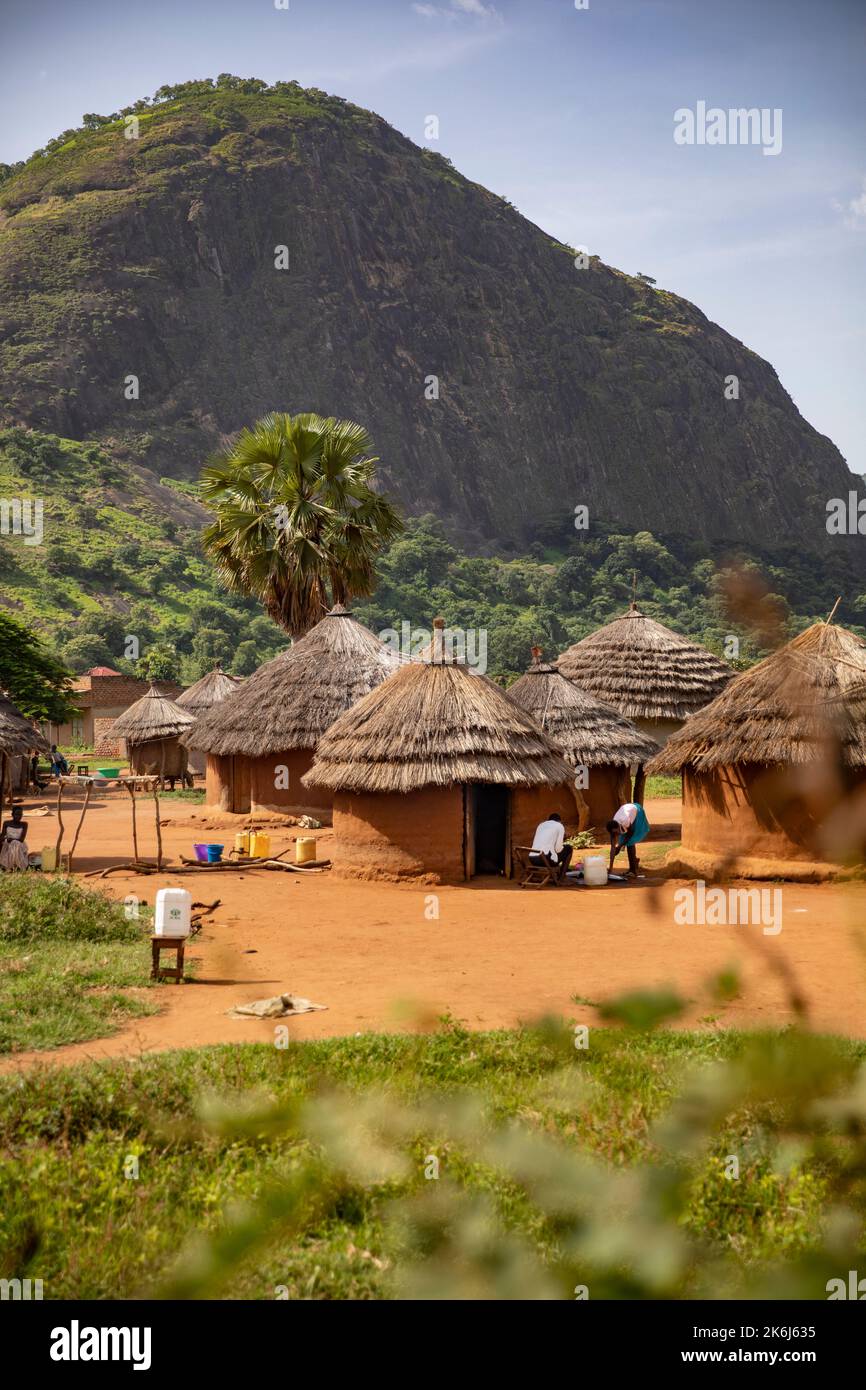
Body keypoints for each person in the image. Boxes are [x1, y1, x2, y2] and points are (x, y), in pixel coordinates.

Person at [607, 801, 650, 877]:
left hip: (637, 811)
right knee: (624, 840)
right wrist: (610, 869)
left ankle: (633, 871)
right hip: (628, 812)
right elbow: (613, 848)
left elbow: (630, 833)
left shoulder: (625, 820)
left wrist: (620, 846)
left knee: (630, 842)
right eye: (614, 834)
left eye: (616, 832)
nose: (616, 835)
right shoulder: (613, 828)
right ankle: (634, 861)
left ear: (618, 826)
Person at [529, 812, 573, 882]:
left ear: (549, 820)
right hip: (545, 859)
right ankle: (561, 878)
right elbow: (558, 849)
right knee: (569, 848)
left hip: (532, 859)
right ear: (559, 821)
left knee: (553, 852)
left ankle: (557, 876)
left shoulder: (541, 825)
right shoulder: (559, 826)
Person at [0, 804, 30, 871]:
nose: (19, 816)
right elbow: (2, 836)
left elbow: (21, 839)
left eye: (20, 814)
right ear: (12, 814)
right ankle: (14, 866)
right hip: (7, 843)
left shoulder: (24, 824)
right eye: (17, 814)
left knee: (15, 843)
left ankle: (15, 866)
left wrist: (12, 839)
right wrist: (5, 839)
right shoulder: (6, 823)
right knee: (12, 844)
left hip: (19, 845)